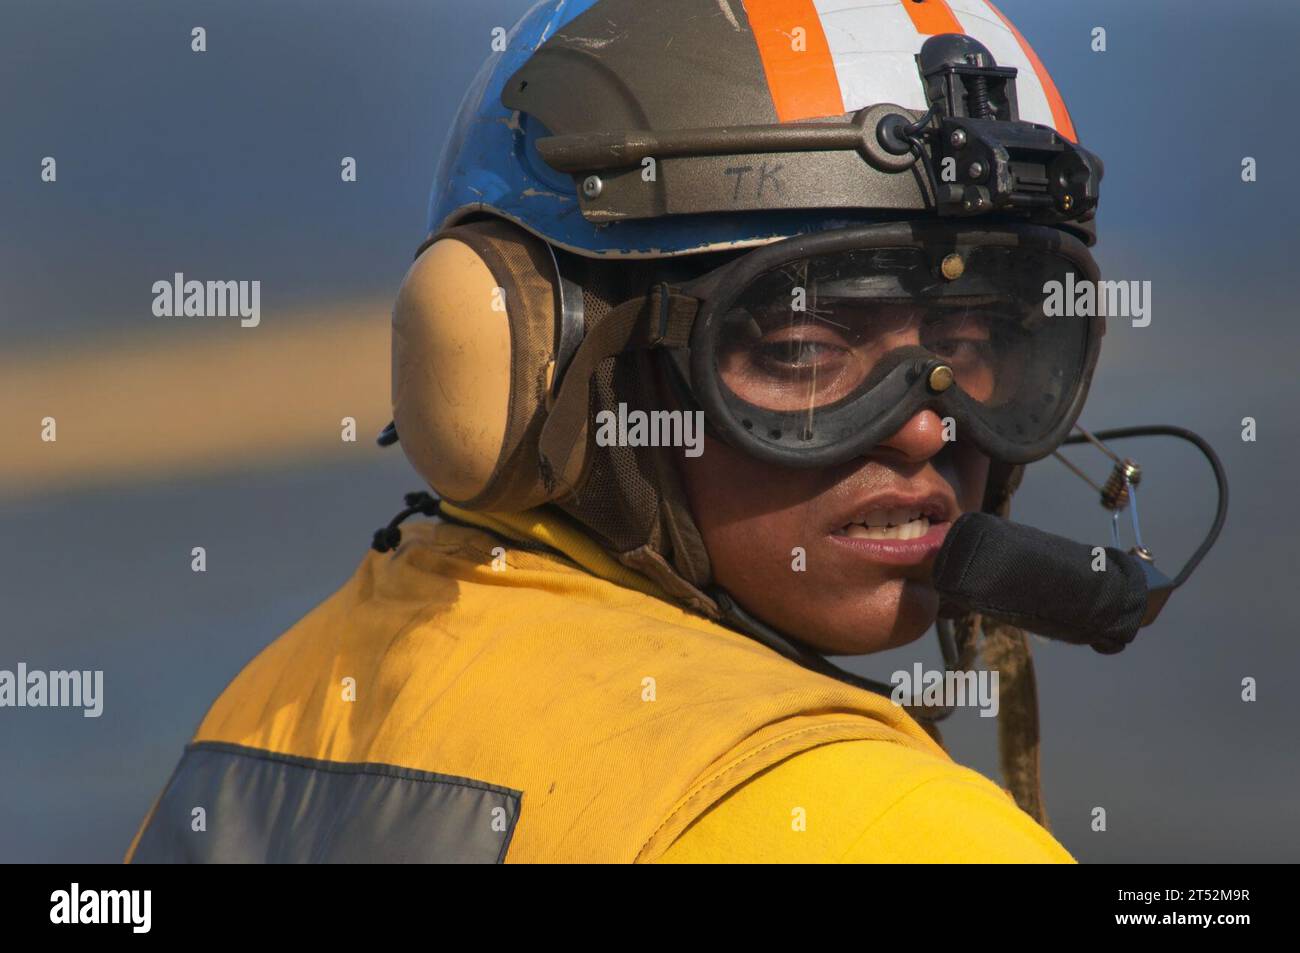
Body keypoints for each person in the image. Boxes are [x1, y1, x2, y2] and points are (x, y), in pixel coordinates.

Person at [128, 0, 1105, 863]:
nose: (930, 427)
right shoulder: (894, 830)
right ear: (541, 357)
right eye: (805, 350)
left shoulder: (264, 720)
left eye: (978, 341)